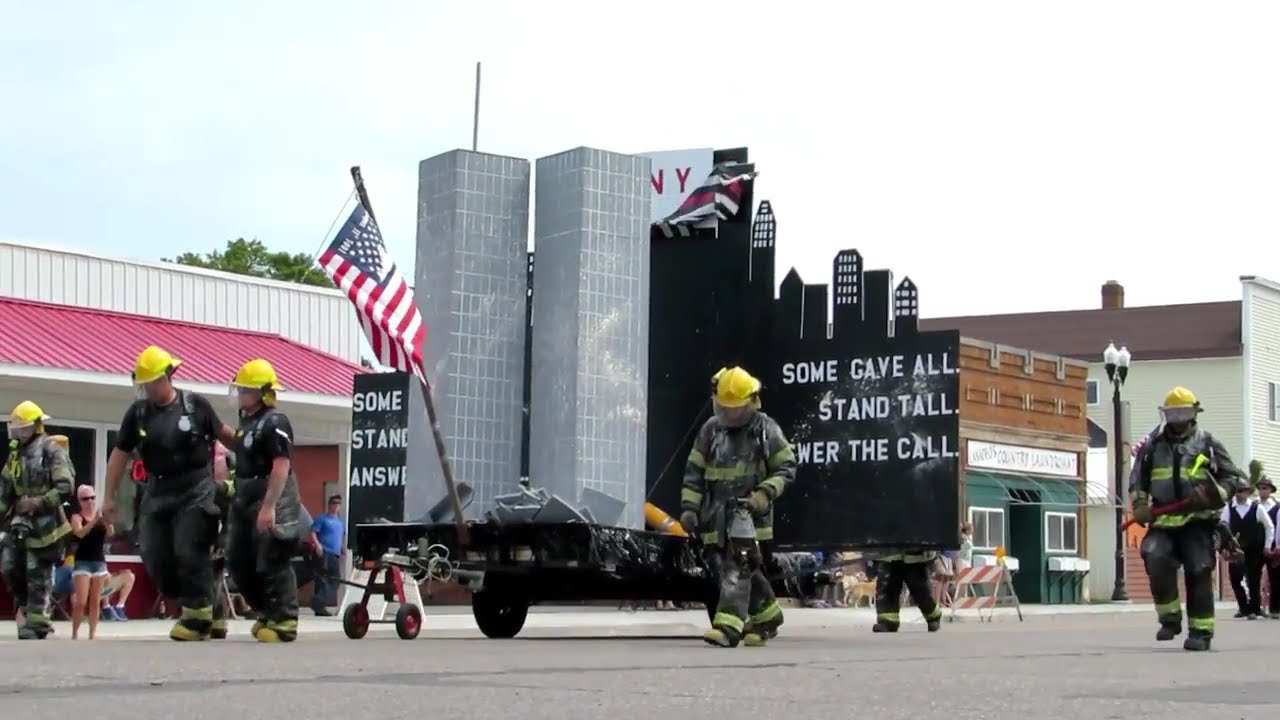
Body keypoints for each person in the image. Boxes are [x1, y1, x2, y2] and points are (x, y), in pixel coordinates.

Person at [101, 345, 237, 641]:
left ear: (166, 378)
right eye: (143, 384)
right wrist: (109, 497)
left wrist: (252, 450)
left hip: (196, 489)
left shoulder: (195, 406)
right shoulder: (137, 414)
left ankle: (197, 618)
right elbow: (119, 454)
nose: (146, 389)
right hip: (158, 490)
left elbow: (224, 433)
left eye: (150, 383)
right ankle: (210, 605)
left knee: (190, 549)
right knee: (155, 555)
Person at [679, 366, 796, 648]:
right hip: (715, 518)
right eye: (726, 408)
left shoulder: (766, 429)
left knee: (738, 567)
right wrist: (689, 509)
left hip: (750, 518)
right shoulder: (710, 430)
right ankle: (768, 616)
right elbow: (694, 472)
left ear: (751, 402)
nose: (731, 414)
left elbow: (787, 468)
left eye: (737, 409)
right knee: (736, 569)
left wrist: (764, 494)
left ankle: (728, 627)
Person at [1130, 386, 1247, 651]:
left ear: (1194, 413)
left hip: (1198, 519)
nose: (1178, 419)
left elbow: (1233, 477)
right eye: (1172, 413)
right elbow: (1138, 477)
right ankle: (1170, 619)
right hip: (1164, 519)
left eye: (1183, 412)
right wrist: (1139, 503)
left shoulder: (1208, 442)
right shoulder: (1152, 445)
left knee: (1199, 568)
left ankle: (1201, 632)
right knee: (1154, 555)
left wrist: (1214, 494)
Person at [225, 358, 310, 643]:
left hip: (274, 495)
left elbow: (281, 466)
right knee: (238, 560)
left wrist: (269, 507)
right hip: (245, 495)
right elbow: (240, 447)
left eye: (246, 390)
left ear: (263, 391)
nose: (240, 395)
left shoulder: (275, 422)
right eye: (239, 390)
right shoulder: (247, 422)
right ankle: (267, 611)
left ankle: (285, 618)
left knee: (272, 558)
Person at [0, 401, 74, 640]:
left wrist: (38, 502)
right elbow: (5, 490)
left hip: (46, 526)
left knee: (37, 570)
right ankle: (27, 608)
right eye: (17, 429)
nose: (20, 433)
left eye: (24, 428)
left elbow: (65, 486)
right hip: (19, 522)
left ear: (37, 426)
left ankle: (38, 621)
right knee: (9, 566)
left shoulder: (51, 450)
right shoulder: (14, 455)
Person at [1221, 483, 1273, 620]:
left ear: (1249, 492)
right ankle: (1244, 607)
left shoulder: (1257, 508)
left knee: (1254, 579)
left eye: (1244, 490)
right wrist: (1223, 548)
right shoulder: (1229, 509)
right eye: (1238, 490)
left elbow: (1269, 526)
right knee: (1235, 578)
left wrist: (1267, 545)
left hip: (1254, 550)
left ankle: (1254, 609)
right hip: (1236, 550)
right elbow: (1223, 527)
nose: (1241, 493)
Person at [68, 484, 113, 639]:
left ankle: (92, 634)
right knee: (81, 601)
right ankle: (75, 633)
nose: (90, 502)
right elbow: (80, 533)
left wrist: (106, 520)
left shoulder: (99, 516)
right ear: (80, 501)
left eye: (92, 498)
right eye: (85, 499)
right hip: (82, 562)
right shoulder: (77, 517)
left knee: (95, 601)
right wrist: (94, 521)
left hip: (99, 562)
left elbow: (111, 532)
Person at [309, 494, 344, 616]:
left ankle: (319, 608)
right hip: (324, 552)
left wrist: (342, 548)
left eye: (338, 504)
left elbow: (338, 537)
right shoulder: (322, 519)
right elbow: (313, 532)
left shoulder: (340, 522)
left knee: (325, 580)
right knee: (332, 580)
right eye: (333, 503)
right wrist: (317, 545)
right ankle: (318, 601)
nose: (335, 506)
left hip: (335, 554)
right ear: (329, 505)